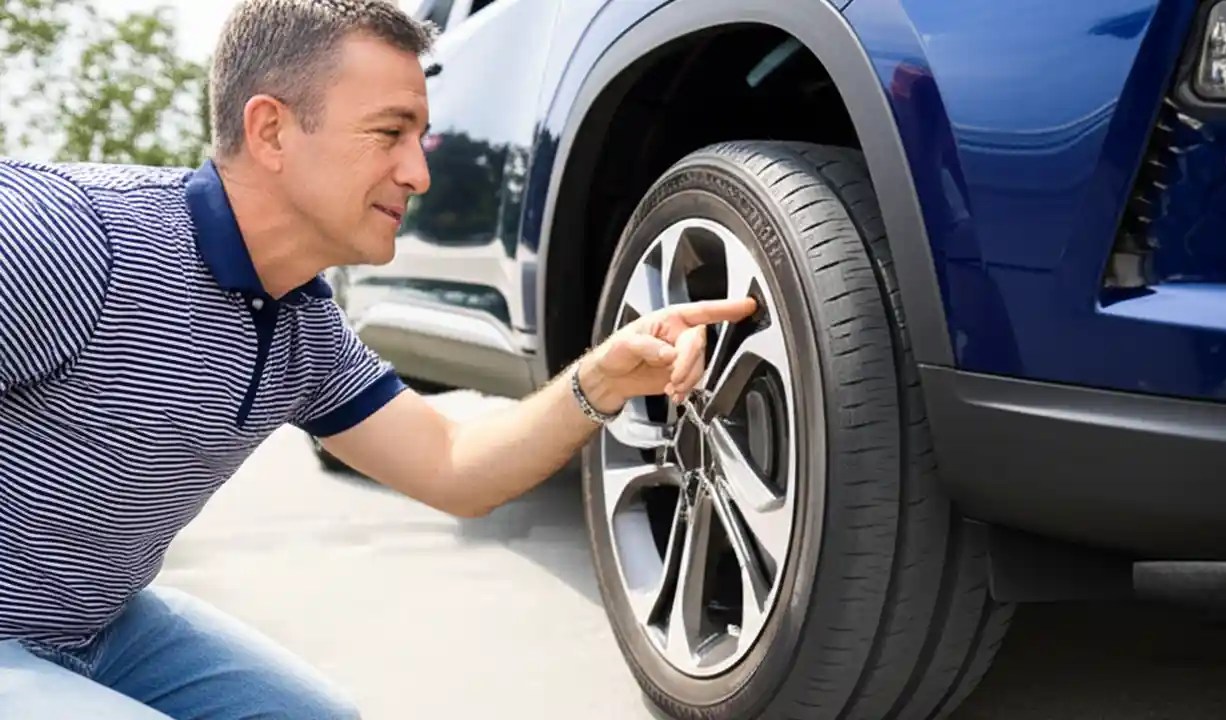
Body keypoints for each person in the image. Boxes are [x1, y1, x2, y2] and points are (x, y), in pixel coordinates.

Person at [0, 0, 756, 717]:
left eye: (419, 139)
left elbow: (455, 464)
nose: (419, 175)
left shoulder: (304, 328)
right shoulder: (73, 238)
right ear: (270, 131)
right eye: (388, 133)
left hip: (95, 627)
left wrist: (603, 378)